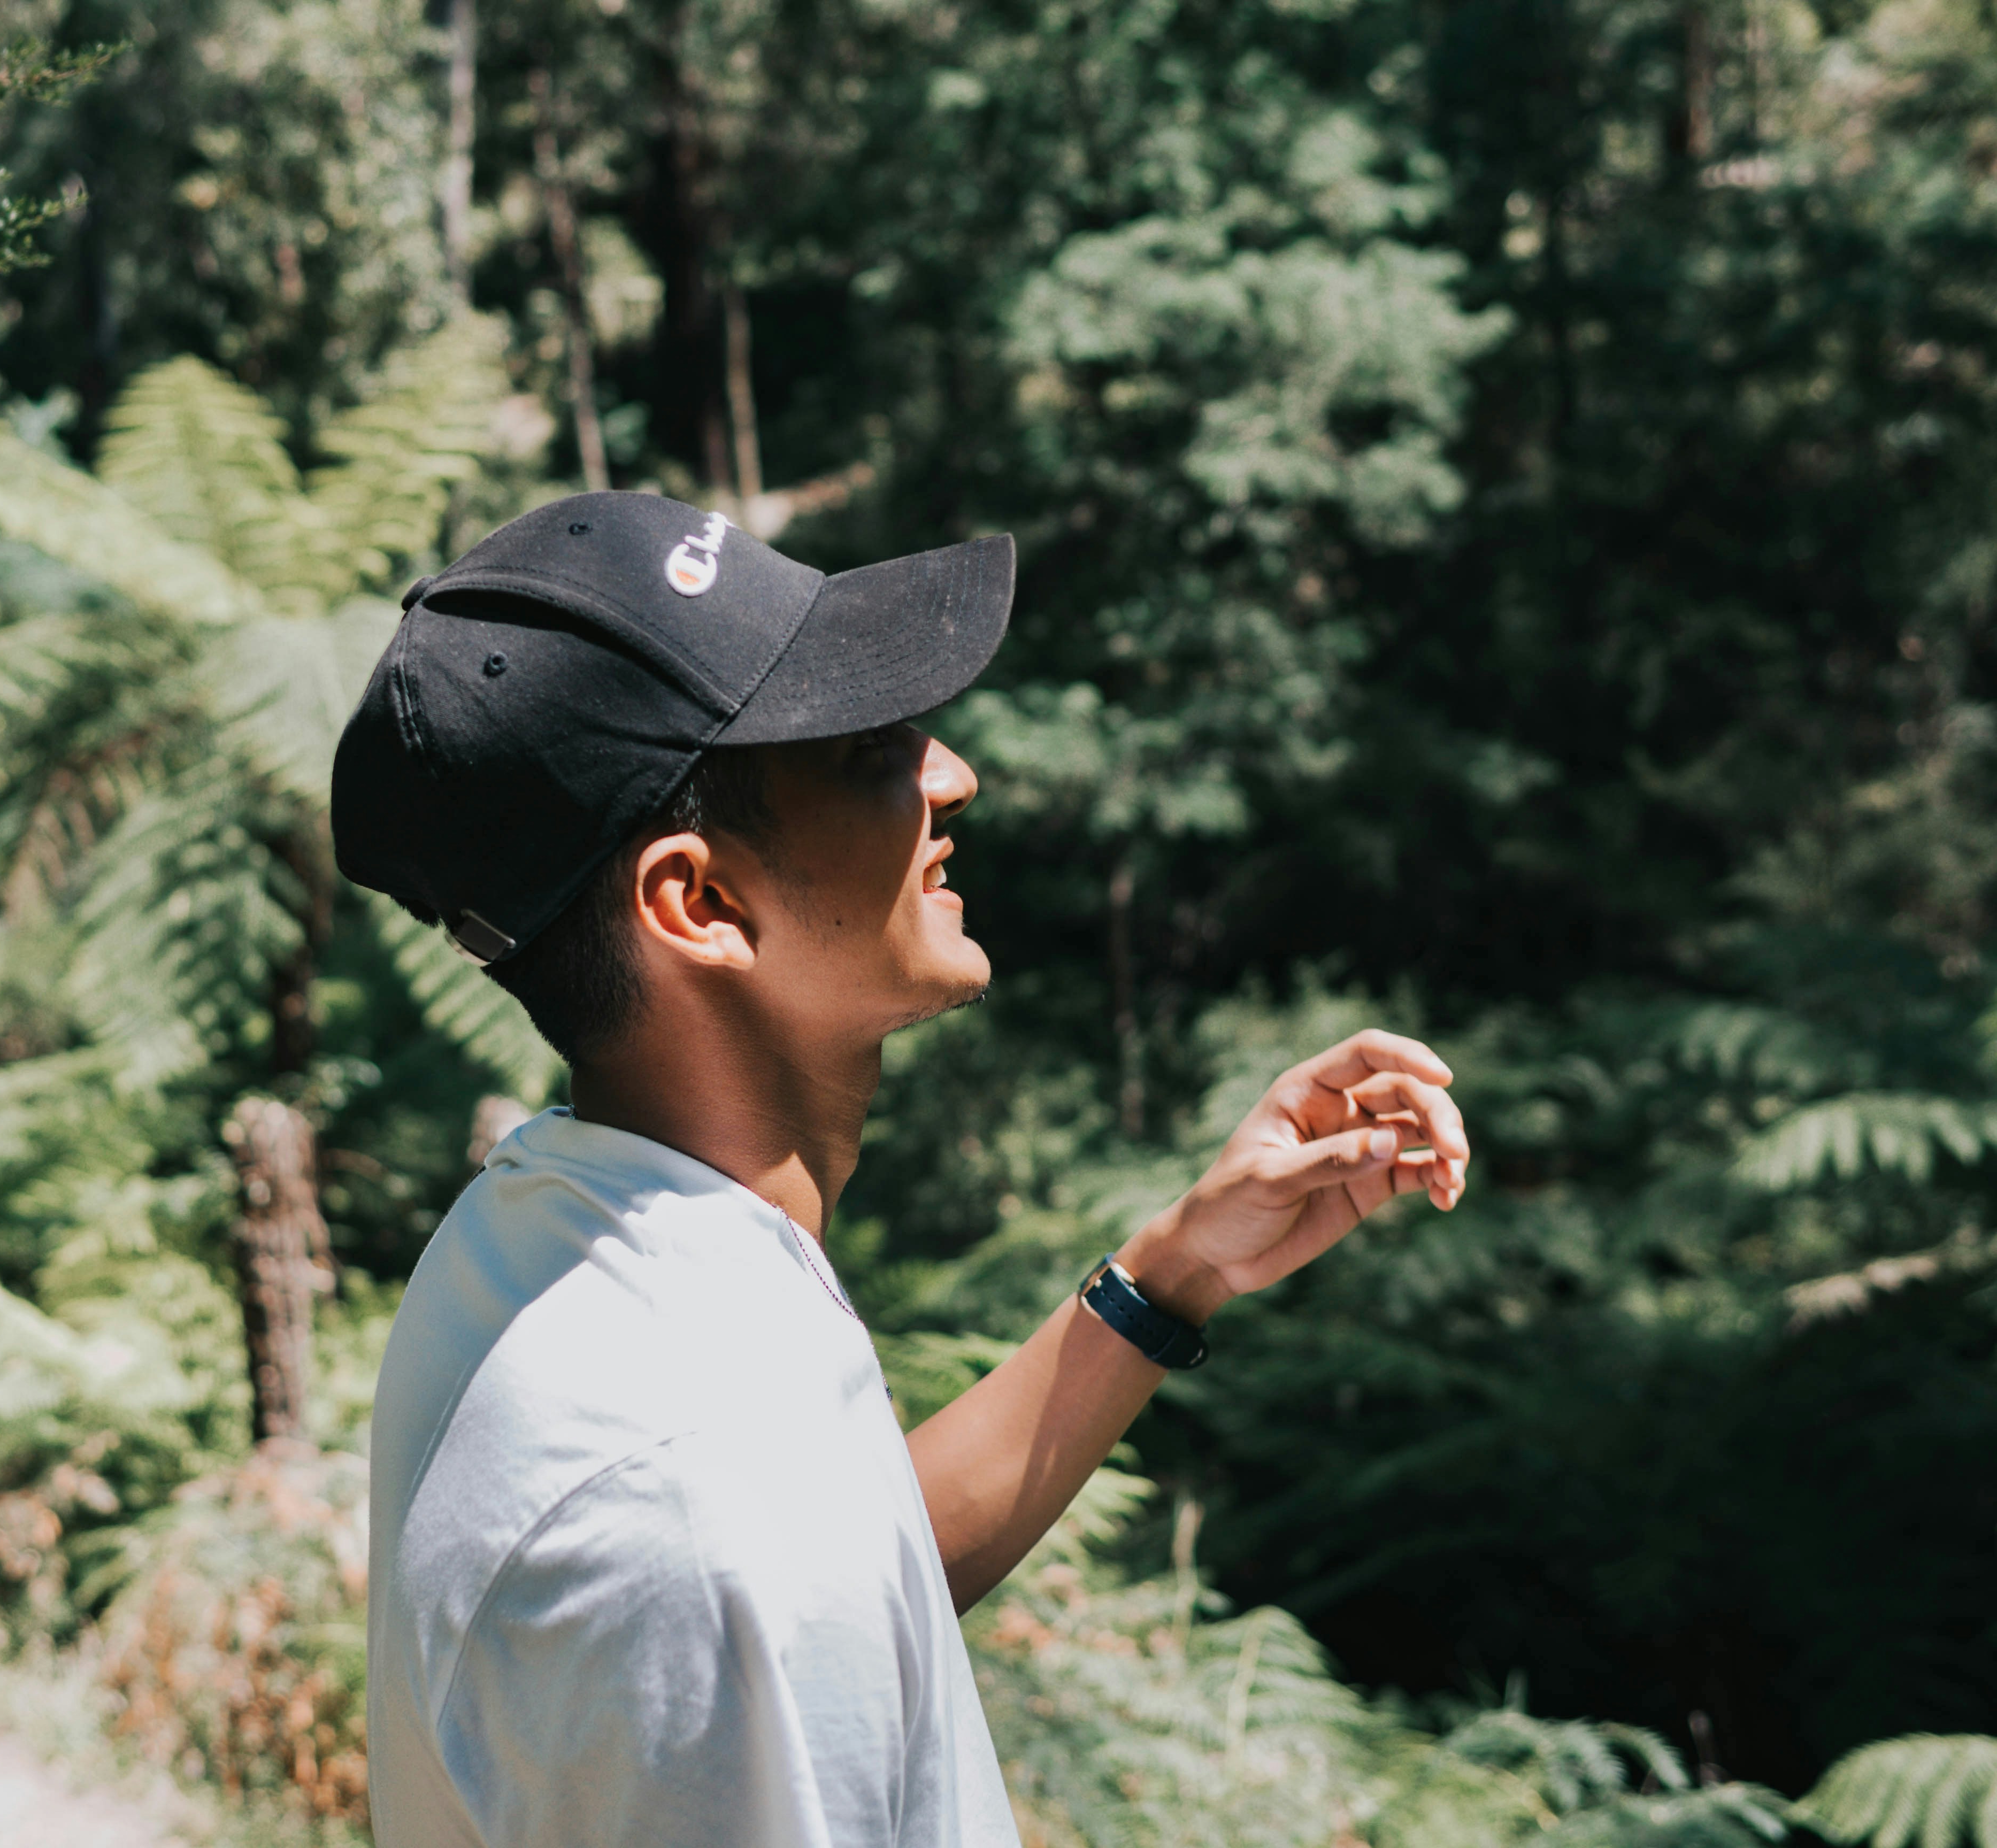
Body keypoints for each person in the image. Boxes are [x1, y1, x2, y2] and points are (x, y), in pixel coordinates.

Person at [331, 492, 1470, 1847]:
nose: (951, 776)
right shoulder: (695, 1520)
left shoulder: (554, 1231)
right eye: (870, 747)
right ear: (699, 905)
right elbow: (755, 1570)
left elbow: (849, 1569)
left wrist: (1175, 1273)